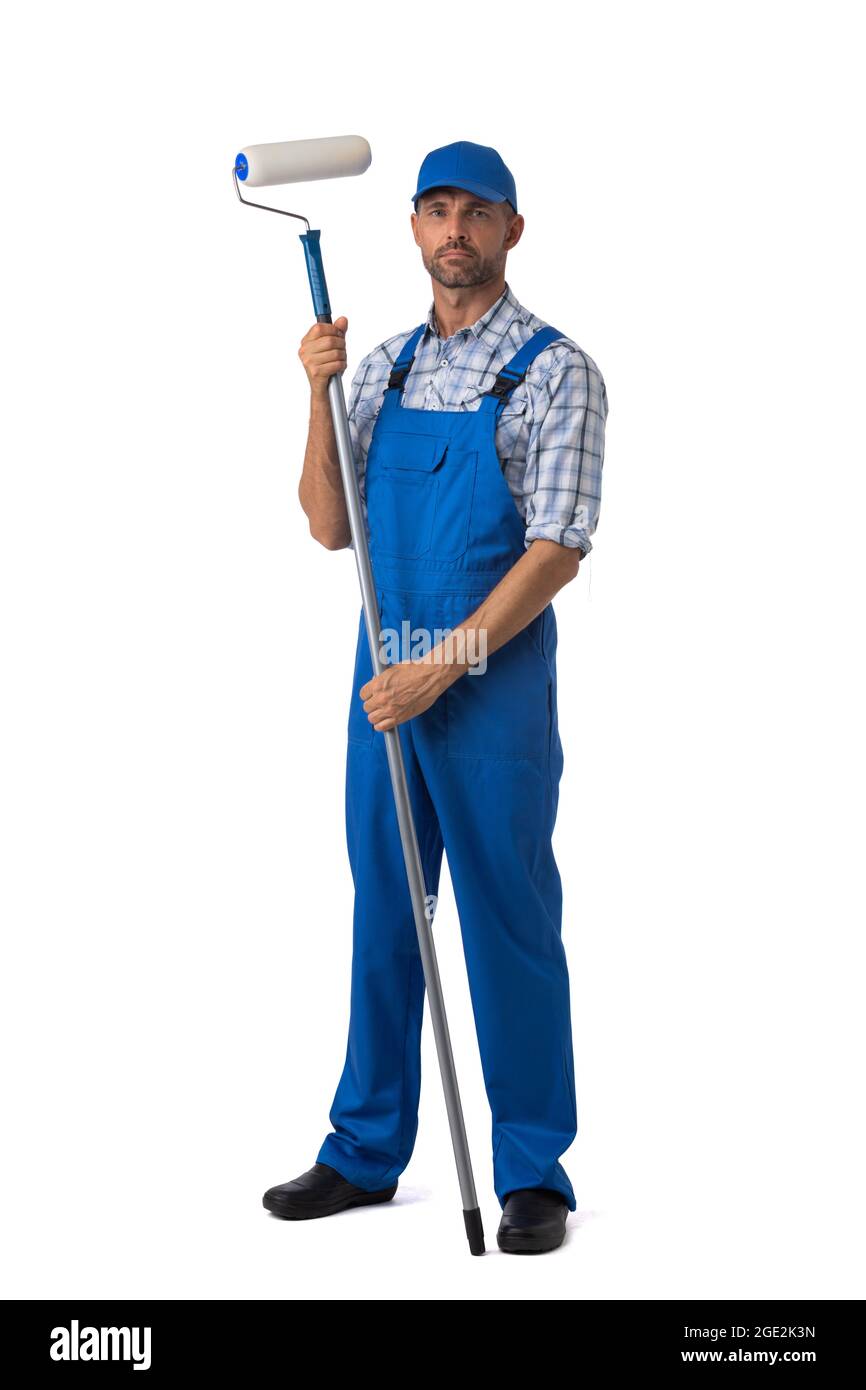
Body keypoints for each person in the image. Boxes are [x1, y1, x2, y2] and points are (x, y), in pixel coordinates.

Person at [263, 141, 608, 1254]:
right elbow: (327, 524)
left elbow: (555, 549)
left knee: (507, 920)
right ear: (414, 228)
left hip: (487, 690)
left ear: (512, 231)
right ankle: (363, 1150)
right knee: (385, 914)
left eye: (477, 213)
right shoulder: (384, 370)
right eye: (435, 211)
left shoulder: (558, 371)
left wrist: (441, 662)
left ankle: (530, 1170)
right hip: (384, 684)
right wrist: (318, 393)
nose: (453, 231)